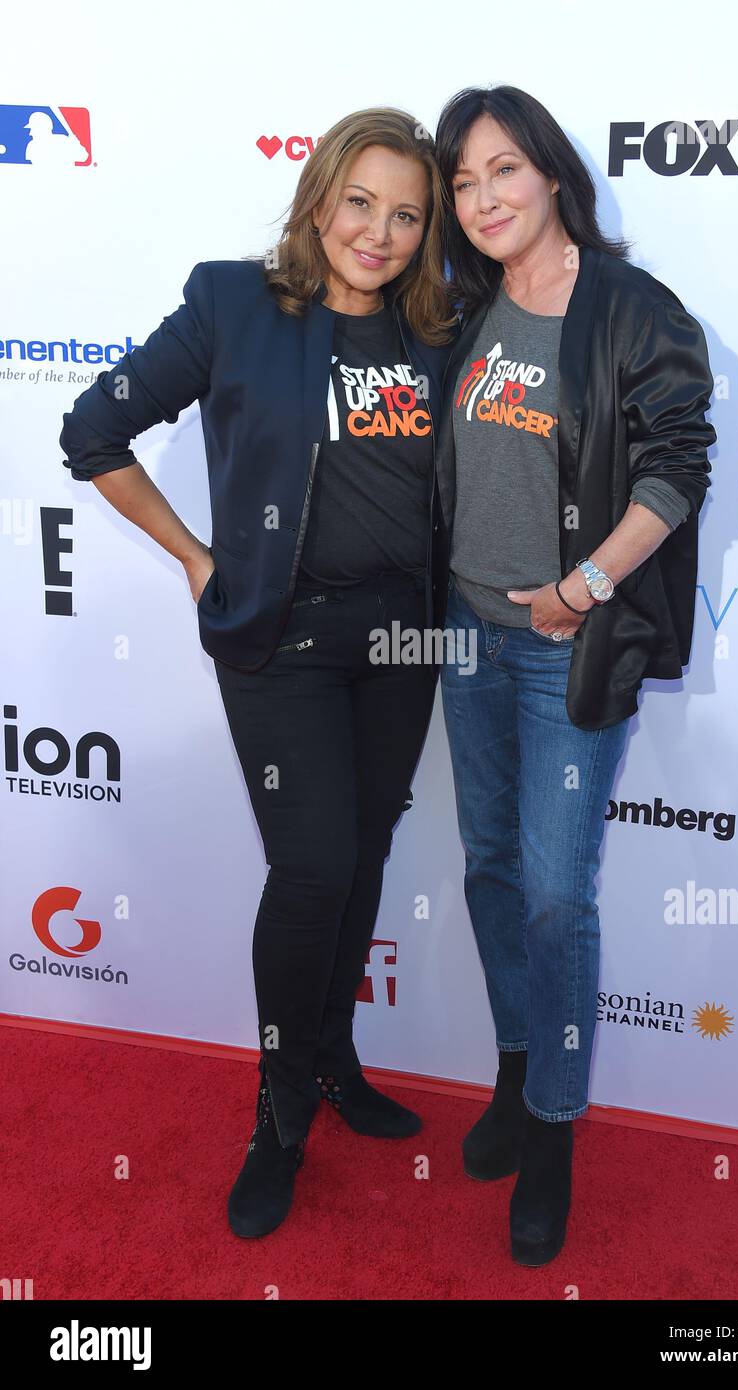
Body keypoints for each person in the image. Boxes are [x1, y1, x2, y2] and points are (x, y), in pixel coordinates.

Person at [59, 108, 459, 1239]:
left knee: (362, 850)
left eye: (405, 214)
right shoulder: (237, 304)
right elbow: (94, 433)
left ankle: (332, 1059)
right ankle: (278, 1113)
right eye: (359, 202)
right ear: (317, 195)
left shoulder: (440, 330)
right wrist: (195, 558)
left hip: (405, 642)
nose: (377, 232)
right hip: (280, 641)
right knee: (312, 864)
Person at [433, 85, 717, 1266]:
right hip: (462, 637)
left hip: (563, 645)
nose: (482, 197)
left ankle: (550, 1125)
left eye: (501, 169)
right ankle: (512, 1070)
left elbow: (674, 468)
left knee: (557, 891)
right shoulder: (460, 315)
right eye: (461, 181)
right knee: (491, 869)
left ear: (551, 173)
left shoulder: (632, 312)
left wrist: (581, 588)